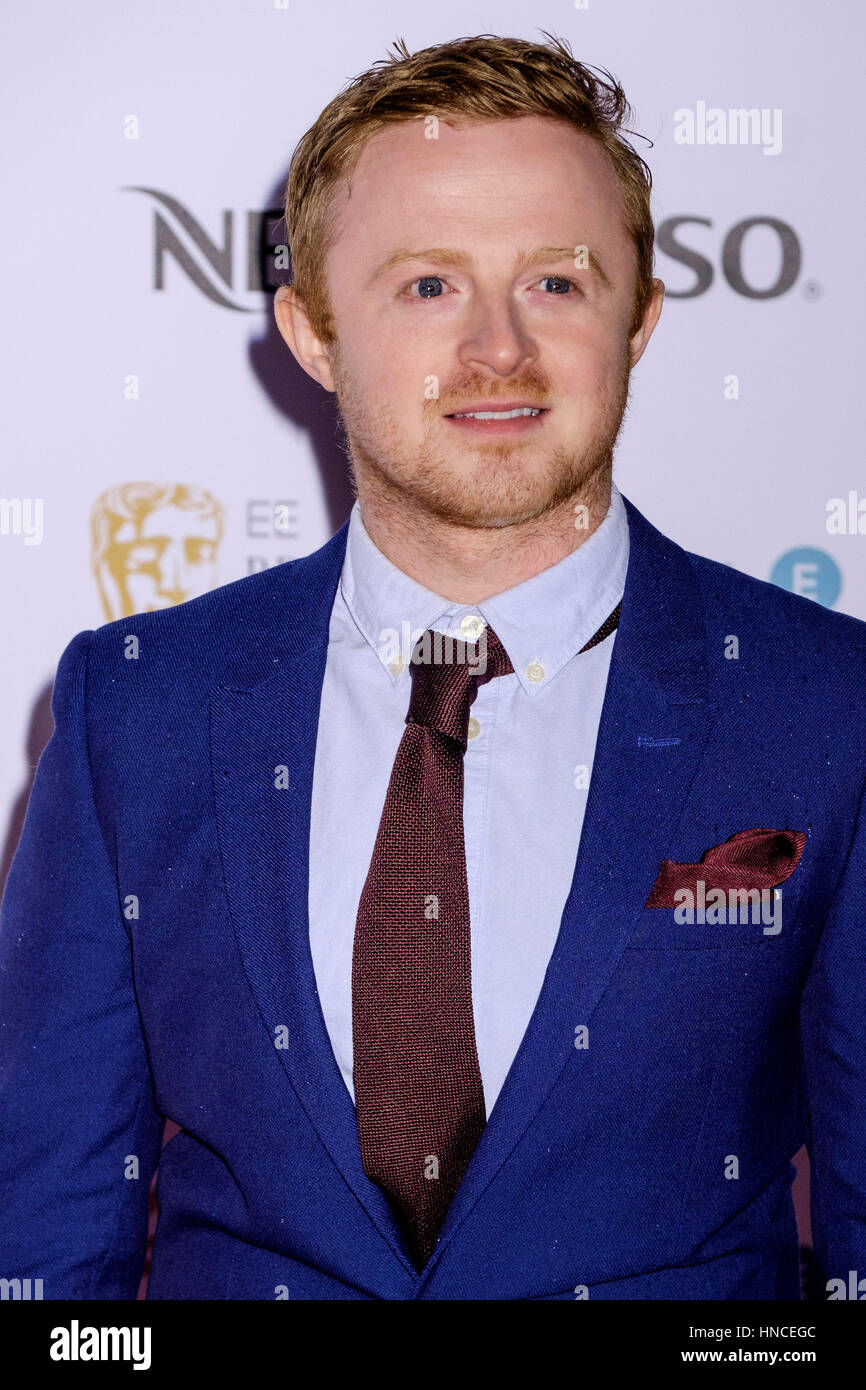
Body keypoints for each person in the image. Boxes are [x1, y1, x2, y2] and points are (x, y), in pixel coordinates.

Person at [1, 33, 864, 1302]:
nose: (499, 349)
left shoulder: (822, 704)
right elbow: (44, 1242)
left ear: (639, 317)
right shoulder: (139, 708)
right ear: (311, 330)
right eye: (426, 287)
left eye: (558, 284)